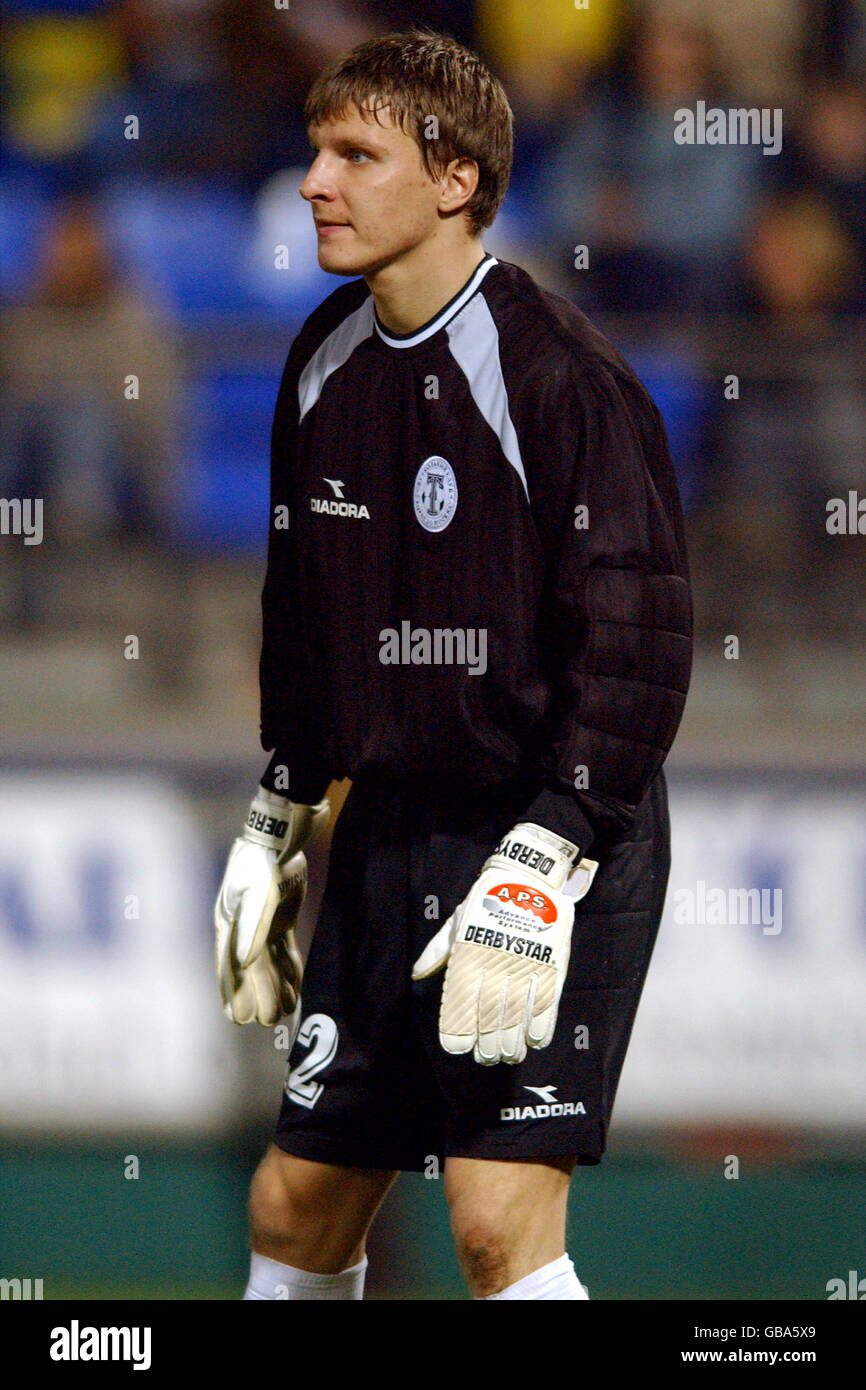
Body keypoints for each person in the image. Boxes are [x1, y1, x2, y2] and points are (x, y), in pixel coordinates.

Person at [214, 28, 693, 1302]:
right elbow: (306, 618)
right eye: (315, 148)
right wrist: (277, 812)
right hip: (389, 827)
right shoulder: (319, 361)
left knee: (492, 1220)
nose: (315, 179)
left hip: (552, 824)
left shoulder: (561, 379)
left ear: (455, 178)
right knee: (296, 1200)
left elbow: (638, 648)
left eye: (354, 154)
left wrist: (548, 857)